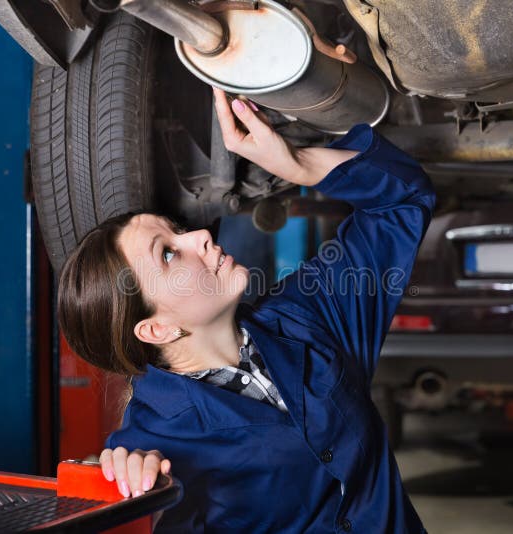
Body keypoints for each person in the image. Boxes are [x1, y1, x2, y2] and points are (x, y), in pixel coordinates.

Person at [58, 87, 435, 532]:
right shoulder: (156, 444)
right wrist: (128, 470)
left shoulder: (307, 316)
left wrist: (300, 165)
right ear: (156, 329)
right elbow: (125, 472)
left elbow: (401, 202)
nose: (198, 237)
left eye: (177, 231)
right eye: (168, 253)